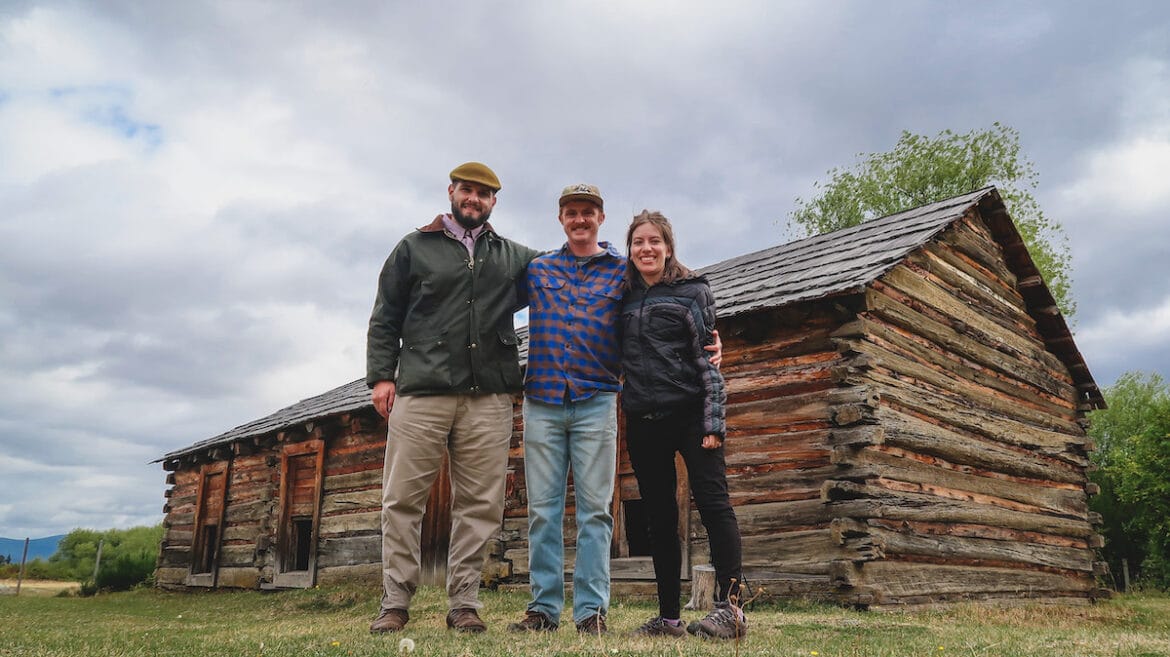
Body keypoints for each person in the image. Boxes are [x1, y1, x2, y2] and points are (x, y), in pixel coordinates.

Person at [366, 162, 540, 634]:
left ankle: (464, 603)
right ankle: (395, 602)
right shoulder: (413, 248)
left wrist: (613, 259)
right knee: (402, 499)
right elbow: (385, 316)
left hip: (489, 396)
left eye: (484, 194)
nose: (474, 199)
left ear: (493, 202)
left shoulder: (512, 256)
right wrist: (382, 377)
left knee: (480, 504)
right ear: (451, 192)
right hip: (422, 391)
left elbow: (566, 270)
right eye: (467, 190)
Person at [620, 210, 748, 640]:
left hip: (692, 414)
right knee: (659, 518)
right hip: (643, 420)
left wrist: (714, 422)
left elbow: (708, 362)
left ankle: (730, 610)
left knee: (714, 507)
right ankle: (670, 619)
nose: (647, 248)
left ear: (668, 247)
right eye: (639, 242)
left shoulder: (693, 292)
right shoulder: (622, 296)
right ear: (630, 249)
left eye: (654, 241)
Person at [508, 183, 624, 635]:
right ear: (561, 219)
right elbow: (485, 300)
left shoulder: (622, 271)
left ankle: (591, 612)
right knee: (543, 510)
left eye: (588, 212)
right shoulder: (538, 270)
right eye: (572, 212)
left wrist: (705, 334)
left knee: (596, 511)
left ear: (601, 217)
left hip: (597, 400)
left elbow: (662, 297)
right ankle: (543, 610)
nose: (580, 219)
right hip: (542, 401)